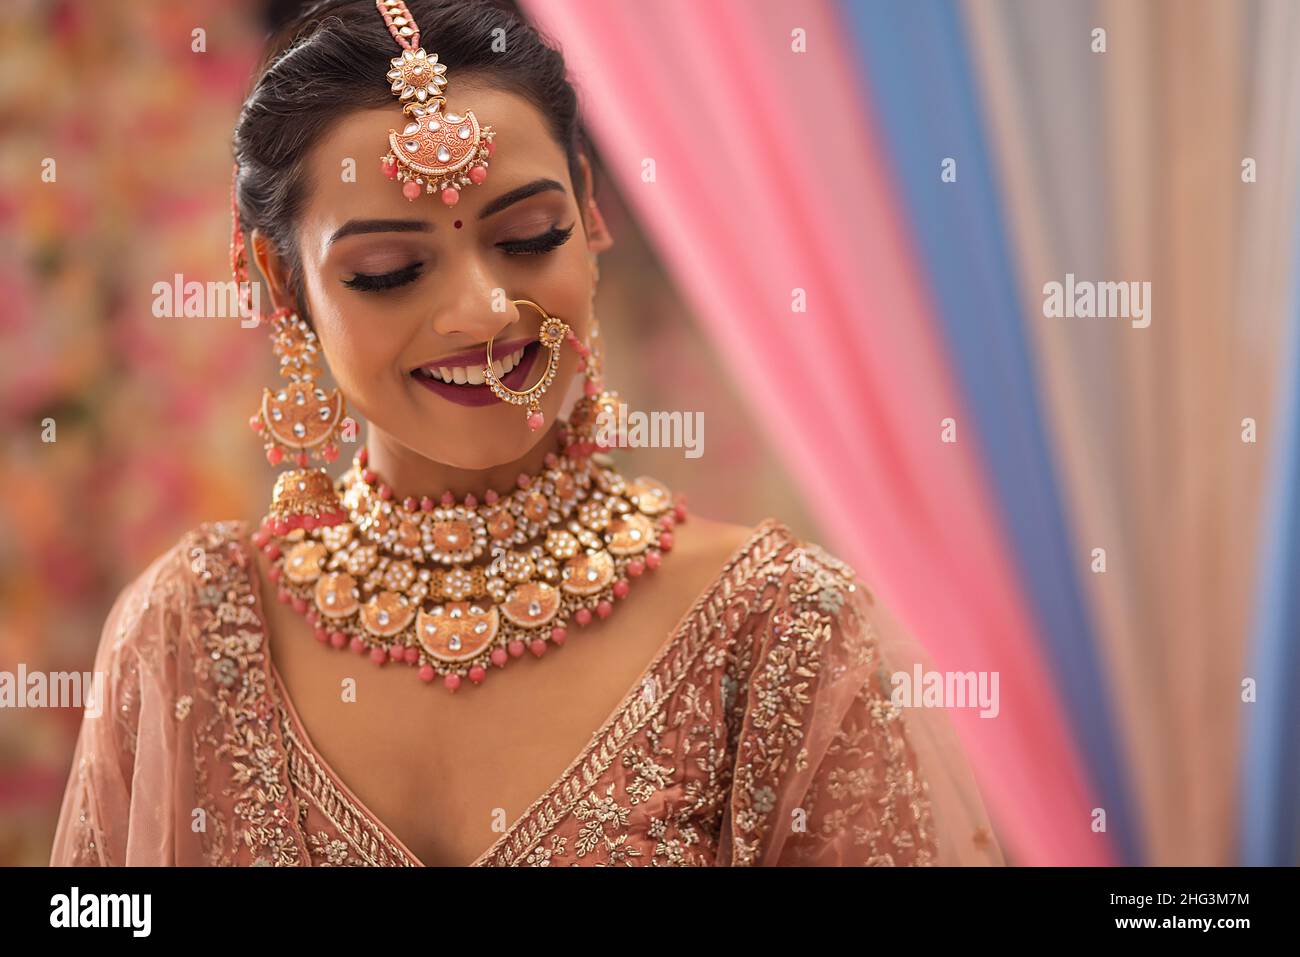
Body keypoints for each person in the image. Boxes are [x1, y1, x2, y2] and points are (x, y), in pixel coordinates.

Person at [49, 0, 1003, 867]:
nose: (481, 310)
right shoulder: (191, 636)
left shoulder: (778, 628)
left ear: (587, 208)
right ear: (281, 281)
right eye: (388, 270)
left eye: (528, 236)